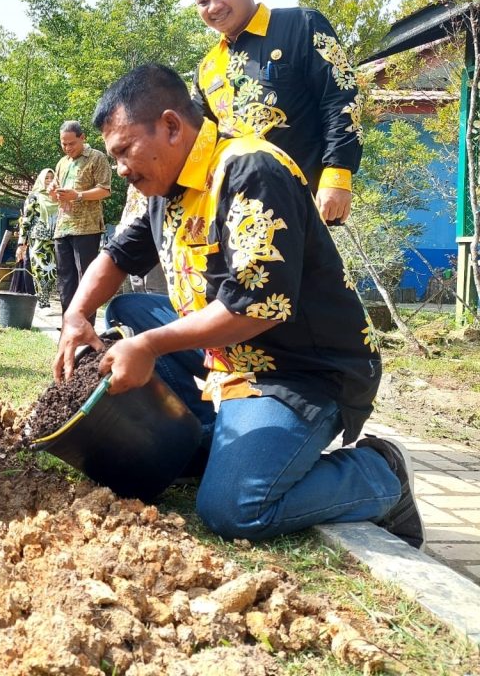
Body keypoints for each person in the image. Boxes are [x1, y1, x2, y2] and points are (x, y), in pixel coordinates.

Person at [54, 64, 425, 549]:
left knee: (233, 508)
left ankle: (381, 475)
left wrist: (148, 347)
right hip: (228, 355)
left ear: (170, 126)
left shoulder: (250, 171)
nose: (121, 167)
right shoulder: (167, 186)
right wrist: (75, 315)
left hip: (298, 369)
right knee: (127, 313)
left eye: (125, 151)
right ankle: (207, 436)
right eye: (114, 156)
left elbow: (256, 306)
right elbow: (119, 254)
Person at [190, 0, 362, 225]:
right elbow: (198, 137)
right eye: (203, 1)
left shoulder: (301, 25)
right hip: (236, 214)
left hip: (304, 203)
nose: (214, 6)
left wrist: (338, 175)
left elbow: (340, 98)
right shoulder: (207, 68)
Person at [50, 121, 112, 319]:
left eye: (71, 143)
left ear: (82, 138)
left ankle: (87, 325)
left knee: (85, 278)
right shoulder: (62, 163)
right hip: (62, 228)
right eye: (63, 144)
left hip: (87, 228)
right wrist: (53, 192)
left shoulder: (97, 157)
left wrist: (77, 195)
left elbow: (105, 190)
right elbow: (57, 197)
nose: (68, 148)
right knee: (65, 280)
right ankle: (68, 323)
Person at [15, 168, 58, 307]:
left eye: (52, 177)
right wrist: (21, 244)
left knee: (52, 272)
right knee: (40, 272)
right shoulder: (34, 197)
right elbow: (26, 220)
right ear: (41, 179)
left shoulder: (58, 196)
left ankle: (46, 301)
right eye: (46, 177)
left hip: (56, 239)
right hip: (38, 241)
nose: (49, 180)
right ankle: (42, 303)